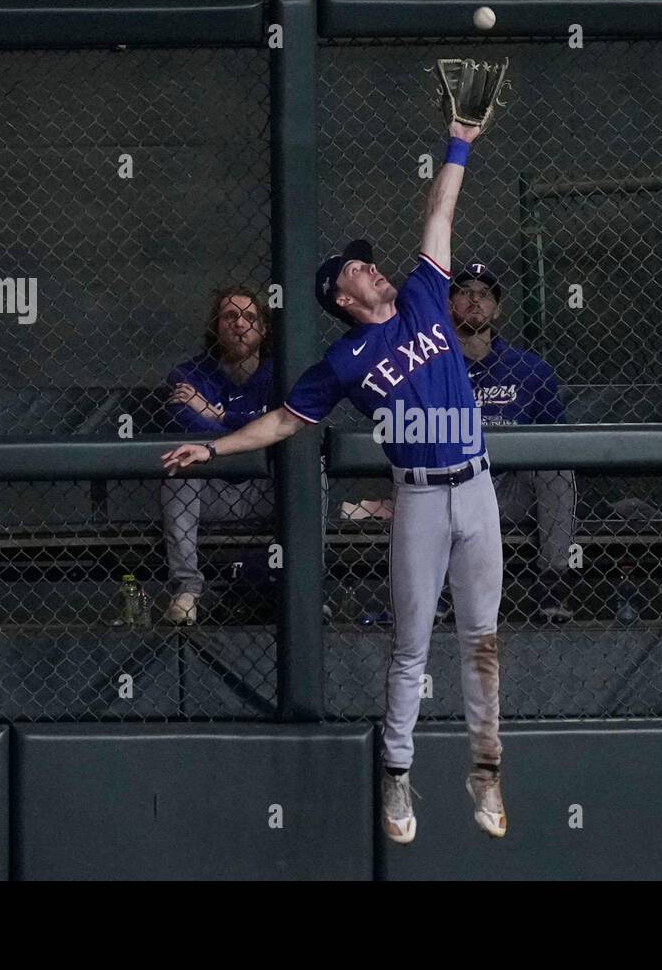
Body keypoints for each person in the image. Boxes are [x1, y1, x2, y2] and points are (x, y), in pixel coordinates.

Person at [163, 119, 507, 845]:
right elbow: (286, 421)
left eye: (369, 264)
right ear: (341, 297)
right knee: (412, 644)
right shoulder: (344, 361)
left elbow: (439, 211)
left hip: (477, 488)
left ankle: (485, 768)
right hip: (417, 495)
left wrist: (460, 142)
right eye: (357, 268)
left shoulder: (421, 293)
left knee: (481, 636)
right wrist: (214, 446)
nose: (370, 267)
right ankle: (398, 771)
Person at [449, 261, 577, 623]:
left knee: (554, 466)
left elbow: (558, 442)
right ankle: (439, 591)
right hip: (453, 491)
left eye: (485, 294)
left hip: (508, 493)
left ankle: (553, 583)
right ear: (448, 305)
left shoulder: (529, 370)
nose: (475, 300)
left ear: (498, 308)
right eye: (464, 292)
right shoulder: (435, 366)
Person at [161, 287, 274, 626]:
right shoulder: (188, 375)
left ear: (264, 329)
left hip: (265, 489)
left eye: (250, 317)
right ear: (215, 326)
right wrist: (254, 427)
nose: (241, 324)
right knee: (179, 465)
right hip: (209, 493)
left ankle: (304, 587)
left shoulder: (280, 373)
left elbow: (286, 421)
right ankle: (188, 589)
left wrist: (218, 415)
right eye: (230, 316)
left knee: (310, 472)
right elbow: (188, 424)